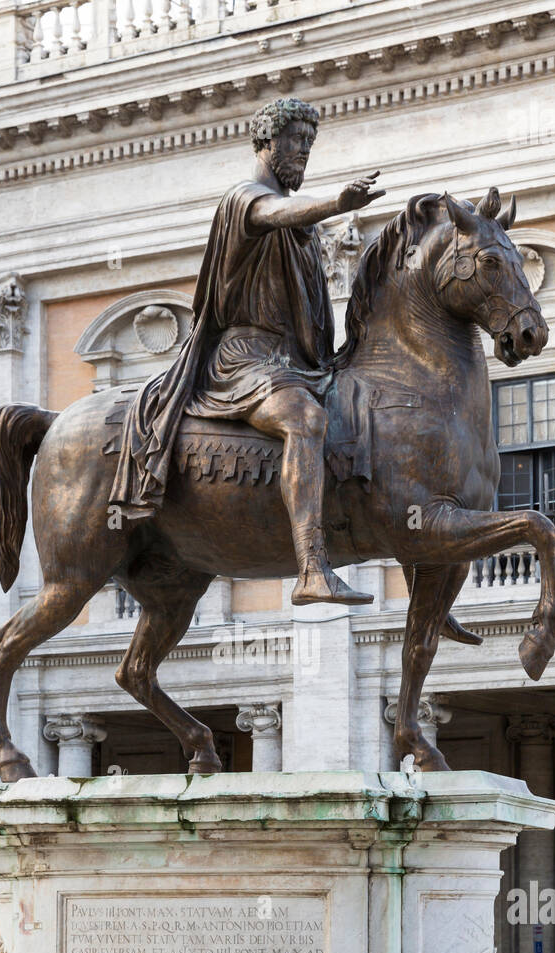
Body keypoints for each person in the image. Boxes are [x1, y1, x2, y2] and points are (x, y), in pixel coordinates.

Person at [109, 97, 384, 604]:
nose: (304, 151)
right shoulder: (246, 200)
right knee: (305, 420)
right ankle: (311, 566)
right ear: (266, 142)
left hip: (294, 361)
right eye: (295, 140)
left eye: (309, 142)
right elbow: (278, 211)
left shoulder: (298, 230)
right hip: (244, 359)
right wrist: (336, 205)